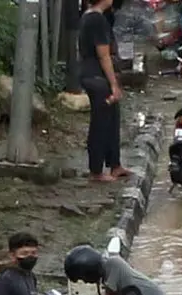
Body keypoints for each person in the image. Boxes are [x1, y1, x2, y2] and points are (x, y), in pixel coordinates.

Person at [75, 0, 129, 182]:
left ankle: (115, 164)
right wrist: (114, 83)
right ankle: (96, 170)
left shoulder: (91, 16)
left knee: (112, 117)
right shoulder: (96, 20)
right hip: (97, 77)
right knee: (101, 122)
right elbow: (103, 54)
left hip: (94, 75)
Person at [65, 244, 172, 295]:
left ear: (90, 272)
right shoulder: (109, 266)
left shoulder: (113, 265)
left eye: (84, 279)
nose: (85, 282)